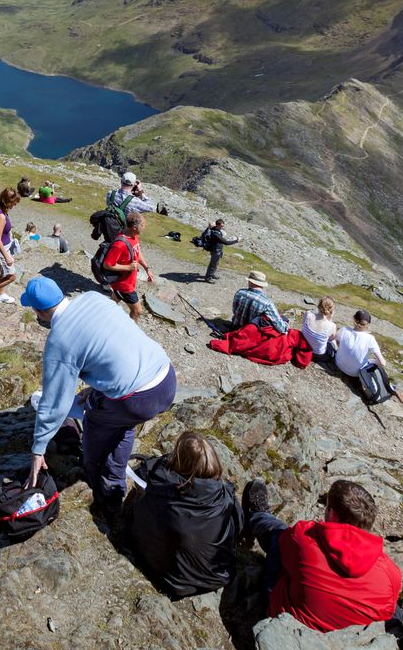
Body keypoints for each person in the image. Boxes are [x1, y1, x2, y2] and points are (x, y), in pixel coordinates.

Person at [23, 276, 176, 521]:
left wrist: (38, 450)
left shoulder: (59, 339)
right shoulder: (93, 298)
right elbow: (114, 346)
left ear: (39, 311)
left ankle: (109, 502)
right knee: (117, 422)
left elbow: (54, 403)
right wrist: (98, 390)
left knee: (94, 445)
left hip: (135, 398)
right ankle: (116, 484)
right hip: (166, 377)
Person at [243, 478, 401, 632]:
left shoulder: (304, 536)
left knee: (279, 534)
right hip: (354, 639)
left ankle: (257, 514)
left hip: (292, 630)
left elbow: (287, 544)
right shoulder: (391, 572)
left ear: (332, 515)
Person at [123, 430, 242, 598]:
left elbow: (140, 522)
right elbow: (238, 526)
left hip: (171, 580)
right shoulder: (224, 496)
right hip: (217, 576)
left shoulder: (161, 488)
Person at [103, 213, 155, 321]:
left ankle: (103, 319)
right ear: (135, 227)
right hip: (123, 284)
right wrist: (128, 268)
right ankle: (131, 334)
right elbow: (107, 264)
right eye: (143, 225)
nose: (144, 228)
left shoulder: (133, 236)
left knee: (113, 301)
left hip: (128, 281)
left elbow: (136, 250)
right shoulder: (119, 244)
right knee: (137, 311)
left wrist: (146, 268)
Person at [334, 310, 386, 378]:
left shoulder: (344, 329)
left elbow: (337, 341)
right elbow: (382, 363)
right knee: (373, 361)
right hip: (355, 373)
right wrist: (373, 361)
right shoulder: (370, 339)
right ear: (367, 325)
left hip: (338, 364)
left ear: (354, 319)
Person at [199, 218, 239, 283]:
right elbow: (226, 242)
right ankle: (208, 278)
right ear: (217, 225)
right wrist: (237, 240)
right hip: (215, 250)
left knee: (216, 263)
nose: (222, 227)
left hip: (217, 249)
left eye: (223, 226)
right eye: (221, 226)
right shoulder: (215, 234)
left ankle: (212, 274)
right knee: (213, 264)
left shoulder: (215, 229)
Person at [301, 298, 338, 362]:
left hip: (302, 348)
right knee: (332, 345)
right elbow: (331, 339)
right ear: (331, 311)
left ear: (318, 306)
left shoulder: (308, 314)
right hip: (317, 355)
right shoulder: (332, 326)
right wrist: (330, 320)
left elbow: (303, 323)